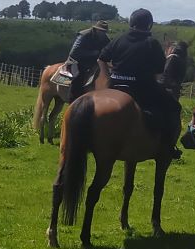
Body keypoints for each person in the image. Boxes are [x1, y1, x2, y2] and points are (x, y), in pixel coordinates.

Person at [99, 8, 179, 150]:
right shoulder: (152, 43)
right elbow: (159, 71)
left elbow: (101, 58)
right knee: (173, 107)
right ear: (149, 25)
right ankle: (167, 147)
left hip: (115, 84)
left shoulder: (118, 39)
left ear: (131, 22)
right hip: (141, 88)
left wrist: (106, 78)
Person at [65, 19, 110, 96]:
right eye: (101, 31)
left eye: (104, 32)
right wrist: (94, 53)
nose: (102, 33)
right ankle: (74, 98)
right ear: (96, 29)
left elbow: (109, 50)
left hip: (94, 62)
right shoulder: (84, 35)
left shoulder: (105, 39)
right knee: (78, 78)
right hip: (77, 61)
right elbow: (74, 52)